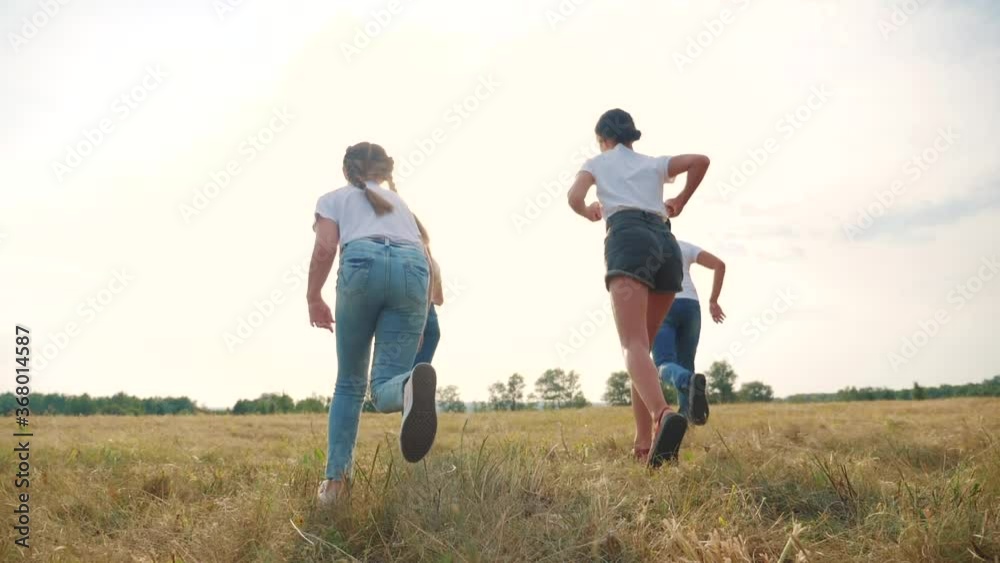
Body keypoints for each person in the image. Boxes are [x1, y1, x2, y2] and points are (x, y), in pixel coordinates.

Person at [567, 108, 711, 467]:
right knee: (642, 350)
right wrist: (680, 200)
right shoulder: (653, 164)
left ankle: (663, 415)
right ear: (631, 136)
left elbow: (573, 196)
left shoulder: (597, 162)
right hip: (665, 243)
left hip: (628, 239)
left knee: (631, 344)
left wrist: (588, 210)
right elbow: (700, 161)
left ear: (603, 138)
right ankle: (644, 443)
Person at [308, 142, 438, 507]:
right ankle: (408, 385)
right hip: (414, 273)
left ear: (346, 169)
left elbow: (325, 247)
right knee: (384, 387)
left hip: (362, 265)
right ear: (385, 172)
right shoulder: (402, 206)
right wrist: (421, 318)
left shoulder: (334, 199)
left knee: (350, 384)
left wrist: (313, 296)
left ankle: (336, 487)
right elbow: (427, 258)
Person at [652, 240, 726, 428]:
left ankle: (688, 381)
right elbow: (719, 265)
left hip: (662, 304)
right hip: (691, 306)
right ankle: (688, 419)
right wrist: (713, 300)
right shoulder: (683, 246)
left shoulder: (647, 244)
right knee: (686, 363)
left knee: (662, 364)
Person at [414, 237, 444, 366]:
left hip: (410, 311)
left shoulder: (406, 255)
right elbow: (439, 299)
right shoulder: (433, 263)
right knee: (418, 372)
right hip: (429, 317)